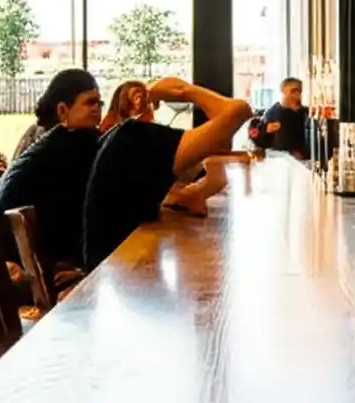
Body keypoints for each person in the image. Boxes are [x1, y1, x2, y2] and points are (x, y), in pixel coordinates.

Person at [83, 77, 252, 270]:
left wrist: (180, 196)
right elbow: (239, 111)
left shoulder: (116, 138)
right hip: (114, 278)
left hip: (111, 271)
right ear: (138, 100)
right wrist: (184, 90)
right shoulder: (135, 137)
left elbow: (215, 168)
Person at [0, 69, 103, 290]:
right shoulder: (73, 146)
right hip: (50, 271)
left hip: (41, 264)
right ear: (62, 110)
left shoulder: (53, 141)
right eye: (90, 103)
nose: (97, 109)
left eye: (100, 103)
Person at [252, 77, 309, 159]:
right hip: (280, 162)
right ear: (283, 92)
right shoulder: (272, 114)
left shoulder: (306, 113)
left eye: (299, 92)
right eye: (293, 91)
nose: (297, 95)